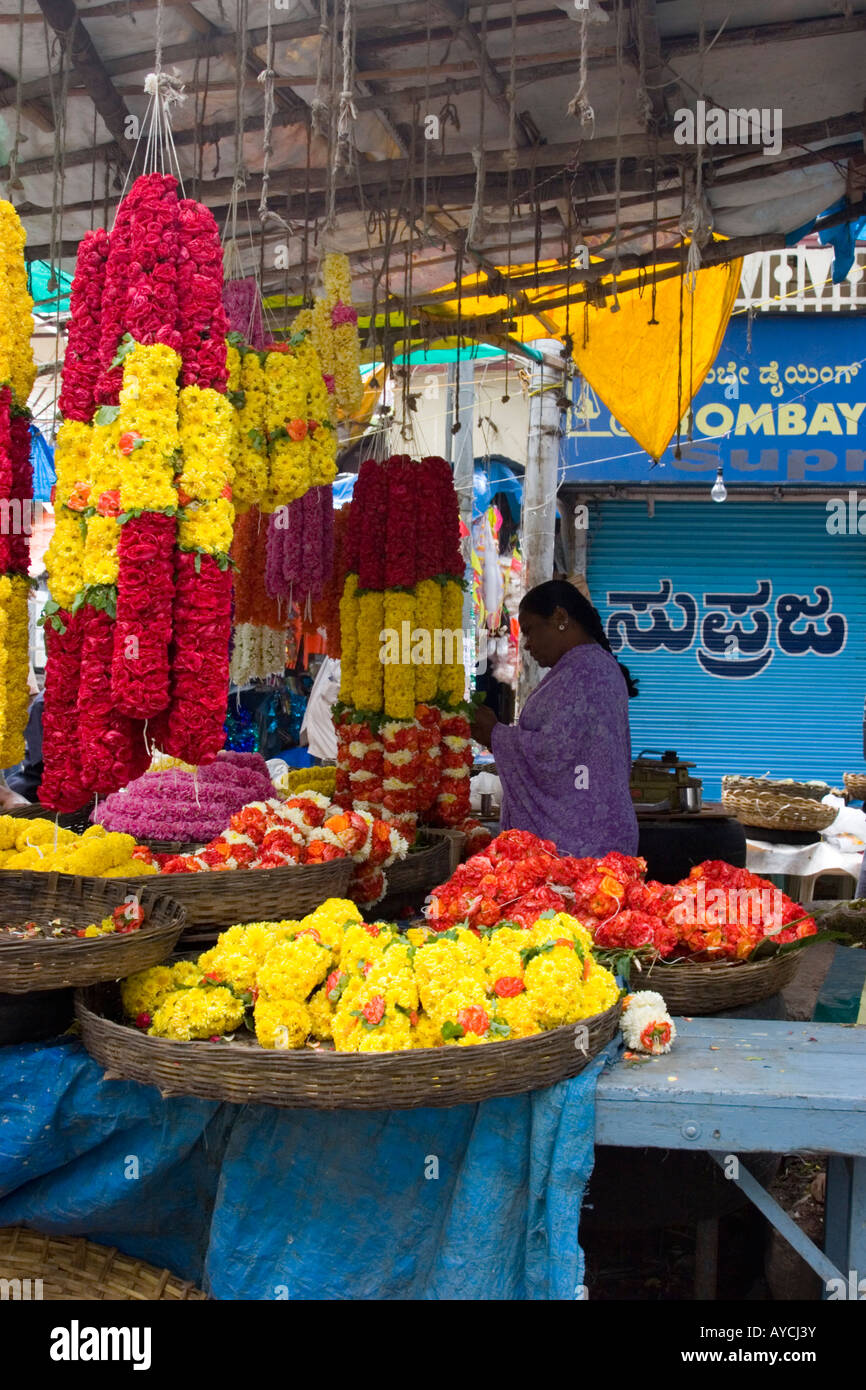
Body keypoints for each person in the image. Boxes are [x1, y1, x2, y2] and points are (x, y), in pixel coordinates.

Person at [470, 579, 639, 858]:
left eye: (530, 631)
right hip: (593, 832)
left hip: (584, 841)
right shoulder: (582, 668)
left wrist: (496, 735)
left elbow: (556, 752)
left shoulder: (587, 672)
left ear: (560, 618)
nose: (526, 645)